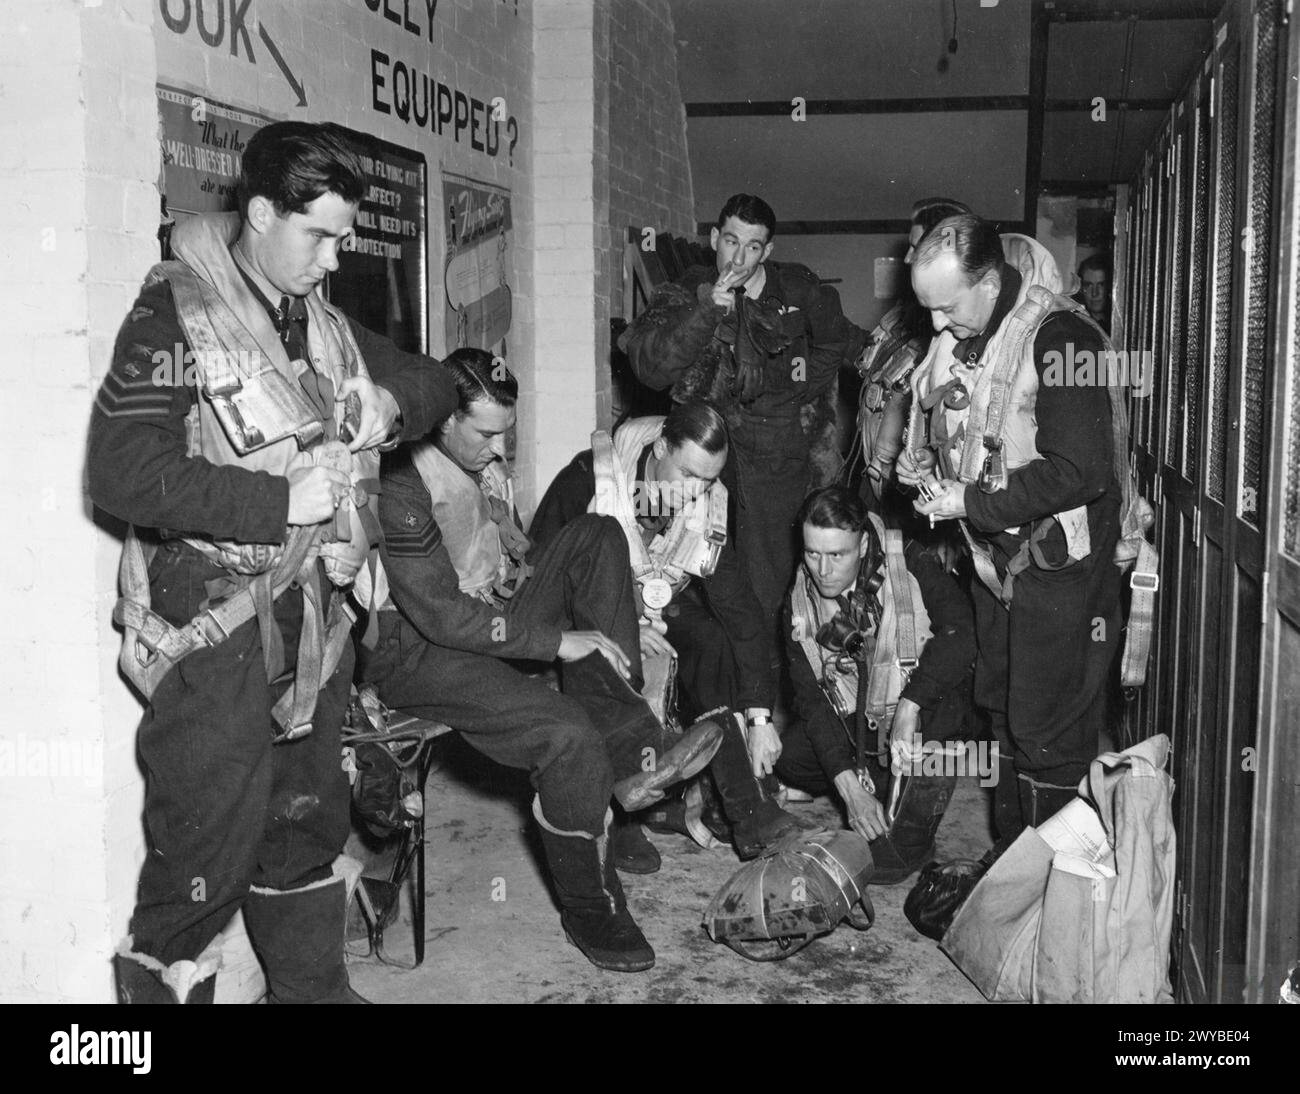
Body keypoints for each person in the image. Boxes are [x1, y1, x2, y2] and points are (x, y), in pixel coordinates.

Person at [89, 121, 461, 1003]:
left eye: (343, 236)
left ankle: (314, 994)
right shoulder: (174, 313)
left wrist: (388, 399)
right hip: (211, 612)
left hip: (314, 617)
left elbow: (442, 382)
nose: (334, 258)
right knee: (201, 852)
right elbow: (119, 469)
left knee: (305, 821)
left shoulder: (318, 321)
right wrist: (274, 501)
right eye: (319, 235)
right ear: (261, 211)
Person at [359, 349, 723, 974]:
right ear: (442, 420)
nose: (500, 449)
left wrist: (608, 614)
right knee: (566, 735)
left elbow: (509, 561)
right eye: (486, 433)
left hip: (484, 614)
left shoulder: (473, 465)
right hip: (416, 650)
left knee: (598, 536)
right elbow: (442, 616)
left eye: (506, 432)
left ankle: (638, 746)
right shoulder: (400, 482)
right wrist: (558, 640)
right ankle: (591, 907)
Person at [899, 214, 1123, 845]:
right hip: (997, 567)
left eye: (945, 307)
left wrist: (969, 501)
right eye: (928, 310)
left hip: (1060, 574)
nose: (936, 325)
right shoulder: (969, 338)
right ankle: (1010, 873)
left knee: (1047, 737)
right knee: (1001, 713)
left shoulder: (1065, 342)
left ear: (992, 283)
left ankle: (1050, 897)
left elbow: (1083, 471)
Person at [530, 400, 811, 862]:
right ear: (660, 447)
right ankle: (615, 811)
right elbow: (539, 582)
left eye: (708, 479)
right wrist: (617, 625)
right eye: (687, 475)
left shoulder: (706, 496)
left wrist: (760, 718)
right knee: (613, 658)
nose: (696, 491)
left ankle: (740, 806)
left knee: (715, 641)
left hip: (659, 612)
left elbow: (741, 612)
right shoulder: (589, 479)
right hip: (584, 621)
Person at [619, 194, 869, 660]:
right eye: (730, 241)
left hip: (775, 457)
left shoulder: (798, 291)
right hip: (707, 452)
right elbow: (653, 370)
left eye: (753, 247)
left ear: (767, 250)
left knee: (769, 581)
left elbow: (837, 338)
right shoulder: (686, 291)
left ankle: (766, 695)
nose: (738, 257)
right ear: (714, 238)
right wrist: (707, 311)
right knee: (699, 572)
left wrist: (801, 386)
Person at [775, 487, 976, 883]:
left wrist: (910, 704)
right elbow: (813, 704)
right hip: (860, 715)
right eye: (813, 553)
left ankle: (919, 785)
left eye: (838, 555)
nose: (823, 570)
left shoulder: (909, 561)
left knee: (890, 862)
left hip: (919, 710)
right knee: (793, 757)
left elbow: (962, 631)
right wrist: (850, 790)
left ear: (864, 543)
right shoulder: (798, 605)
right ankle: (878, 782)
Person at [856, 197, 972, 503]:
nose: (907, 258)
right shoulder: (903, 317)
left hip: (918, 489)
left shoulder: (958, 335)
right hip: (876, 473)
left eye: (916, 246)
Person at [1074, 252, 1112, 334]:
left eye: (1101, 285)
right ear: (1080, 288)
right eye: (1088, 285)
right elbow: (1069, 346)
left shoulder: (1121, 324)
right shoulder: (1072, 324)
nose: (1095, 293)